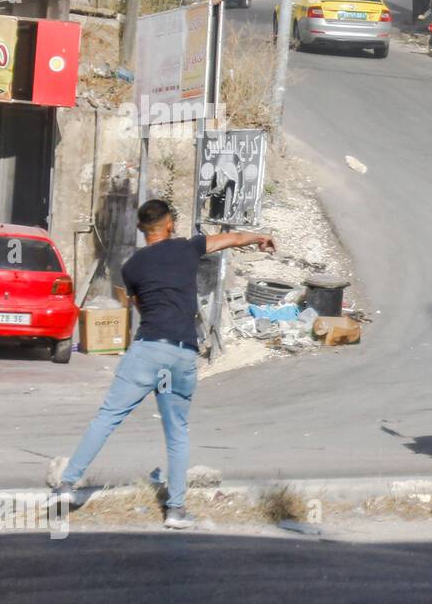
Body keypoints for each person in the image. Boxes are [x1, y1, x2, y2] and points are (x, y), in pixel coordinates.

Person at [51, 200, 275, 529]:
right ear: (169, 223)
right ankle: (176, 510)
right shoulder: (188, 248)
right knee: (176, 431)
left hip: (148, 353)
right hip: (180, 356)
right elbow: (233, 238)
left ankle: (67, 485)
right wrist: (260, 238)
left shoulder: (131, 267)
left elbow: (139, 306)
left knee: (109, 417)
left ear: (142, 230)